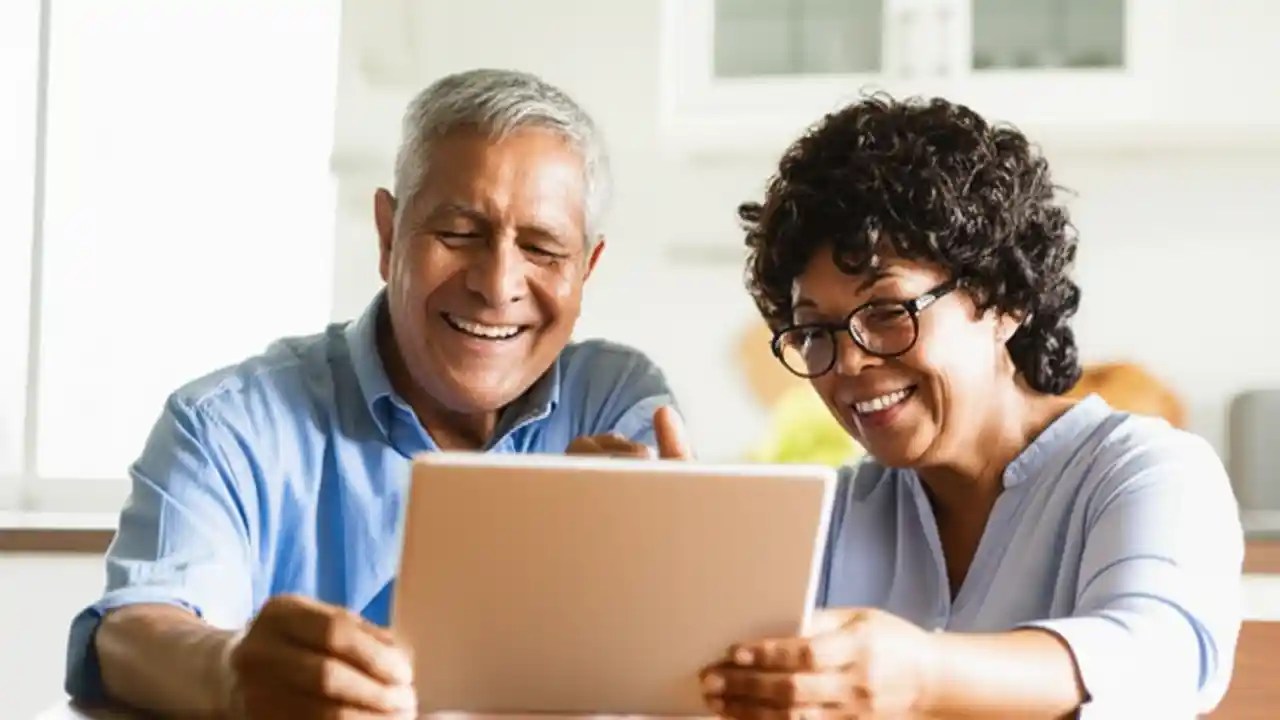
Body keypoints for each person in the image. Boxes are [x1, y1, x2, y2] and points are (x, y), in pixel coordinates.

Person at [65, 68, 689, 718]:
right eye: (458, 233)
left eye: (542, 248)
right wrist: (230, 673)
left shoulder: (616, 398)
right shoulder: (226, 426)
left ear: (586, 271)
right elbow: (132, 633)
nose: (498, 283)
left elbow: (673, 648)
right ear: (388, 235)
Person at [699, 96, 1243, 718]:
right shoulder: (834, 516)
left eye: (886, 312)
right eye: (816, 331)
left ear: (1003, 300)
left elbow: (1158, 657)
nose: (848, 363)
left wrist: (920, 679)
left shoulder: (1147, 471)